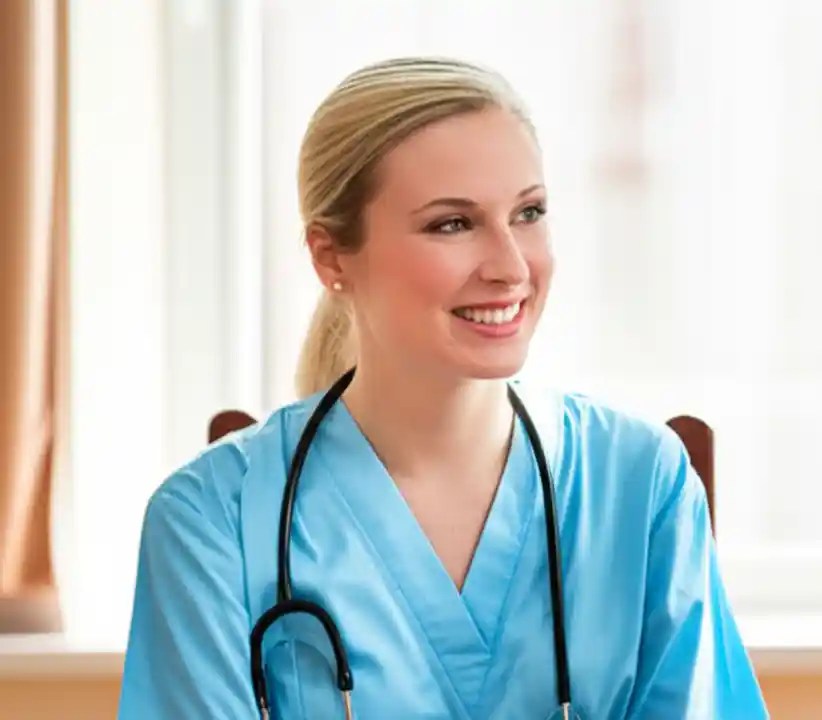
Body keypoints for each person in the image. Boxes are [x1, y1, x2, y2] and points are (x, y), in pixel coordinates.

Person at [117, 57, 767, 719]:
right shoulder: (210, 520)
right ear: (331, 257)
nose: (511, 267)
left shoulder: (638, 486)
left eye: (529, 212)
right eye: (451, 224)